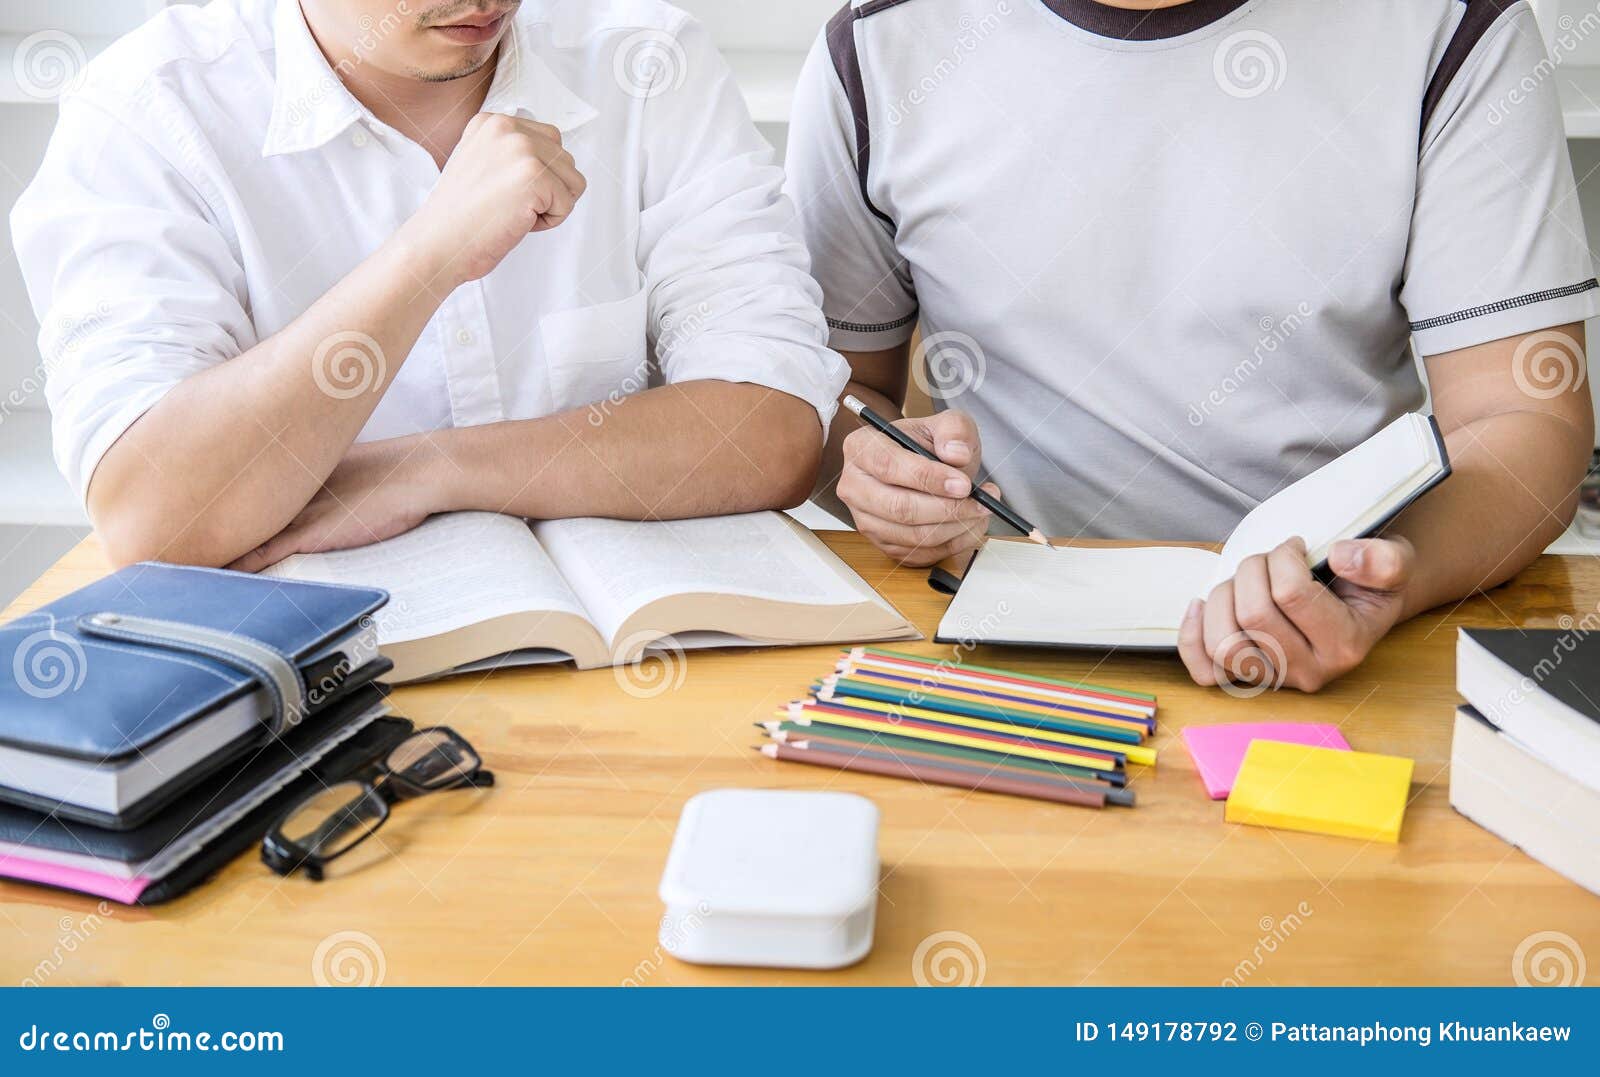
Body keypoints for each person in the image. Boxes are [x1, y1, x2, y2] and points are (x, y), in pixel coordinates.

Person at [786, 0, 1598, 691]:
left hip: (1350, 645)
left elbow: (1525, 414)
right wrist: (876, 471)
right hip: (993, 653)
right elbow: (835, 399)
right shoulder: (880, 45)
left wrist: (1393, 571)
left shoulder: (1452, 27)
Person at [11, 0, 848, 571]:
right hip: (309, 702)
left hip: (624, 667)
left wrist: (429, 470)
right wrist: (429, 255)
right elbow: (154, 511)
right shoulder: (148, 112)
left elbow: (771, 427)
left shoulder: (644, 58)